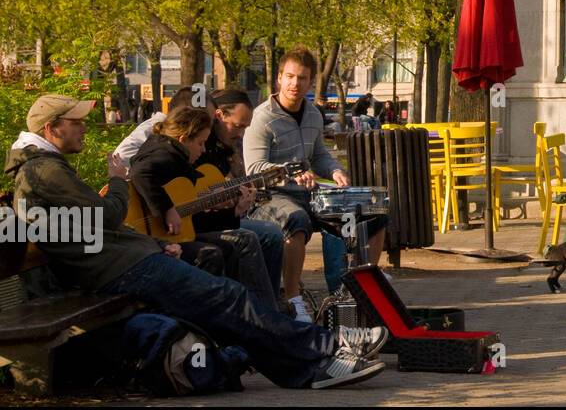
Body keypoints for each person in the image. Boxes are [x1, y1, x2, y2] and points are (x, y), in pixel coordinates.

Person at [5, 94, 386, 389]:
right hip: (121, 270)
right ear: (53, 128)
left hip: (128, 261)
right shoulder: (43, 170)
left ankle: (310, 370)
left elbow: (93, 230)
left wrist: (156, 245)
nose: (85, 128)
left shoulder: (45, 167)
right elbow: (107, 217)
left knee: (223, 307)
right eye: (77, 123)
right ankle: (328, 347)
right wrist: (117, 179)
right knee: (227, 299)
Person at [244, 47, 388, 322]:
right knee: (296, 221)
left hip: (310, 193)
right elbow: (253, 169)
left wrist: (335, 172)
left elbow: (320, 155)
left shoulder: (313, 114)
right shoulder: (261, 117)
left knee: (374, 216)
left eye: (302, 78)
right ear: (279, 79)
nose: (294, 83)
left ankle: (359, 292)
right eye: (289, 76)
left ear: (311, 83)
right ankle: (293, 299)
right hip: (270, 196)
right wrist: (289, 173)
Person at [128, 107, 278, 310]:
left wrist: (234, 212)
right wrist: (168, 209)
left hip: (175, 236)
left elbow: (191, 221)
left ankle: (254, 311)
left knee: (244, 239)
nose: (203, 150)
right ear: (183, 139)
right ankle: (262, 314)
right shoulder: (165, 153)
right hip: (151, 240)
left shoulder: (174, 158)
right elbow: (141, 173)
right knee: (231, 245)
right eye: (200, 143)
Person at [199, 87, 285, 298]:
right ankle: (266, 310)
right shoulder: (198, 143)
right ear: (218, 115)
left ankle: (265, 305)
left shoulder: (226, 148)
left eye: (246, 127)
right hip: (192, 222)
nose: (241, 134)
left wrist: (237, 204)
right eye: (238, 126)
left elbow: (220, 198)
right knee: (267, 234)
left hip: (208, 219)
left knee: (271, 232)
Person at [113, 86, 215, 167]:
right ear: (188, 111)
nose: (209, 125)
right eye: (205, 118)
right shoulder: (153, 128)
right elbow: (121, 156)